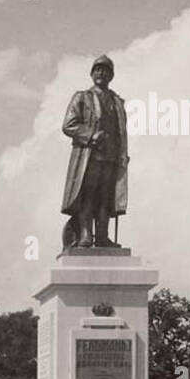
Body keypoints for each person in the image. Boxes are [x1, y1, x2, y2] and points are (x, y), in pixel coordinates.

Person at [61, 54, 129, 248]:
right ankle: (85, 234)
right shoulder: (82, 97)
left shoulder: (117, 102)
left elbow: (120, 131)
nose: (101, 73)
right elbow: (68, 125)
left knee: (106, 197)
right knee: (88, 195)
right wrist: (90, 135)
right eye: (97, 69)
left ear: (111, 75)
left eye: (105, 70)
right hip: (89, 157)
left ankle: (102, 236)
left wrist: (123, 154)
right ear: (92, 74)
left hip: (111, 157)